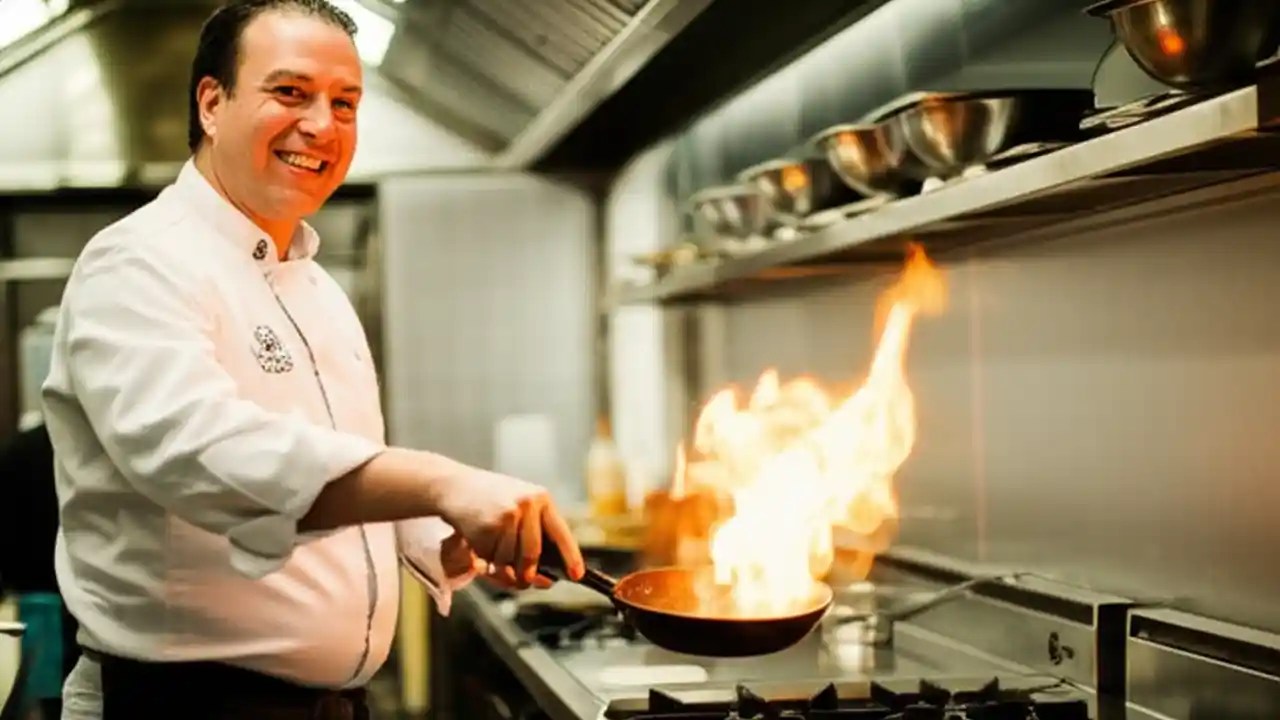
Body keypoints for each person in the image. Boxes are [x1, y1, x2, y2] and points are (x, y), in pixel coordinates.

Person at [39, 1, 583, 718]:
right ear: (212, 102)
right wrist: (442, 482)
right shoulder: (138, 262)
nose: (323, 126)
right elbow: (203, 453)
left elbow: (322, 469)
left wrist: (444, 541)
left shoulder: (316, 285)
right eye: (290, 93)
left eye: (346, 103)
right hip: (184, 705)